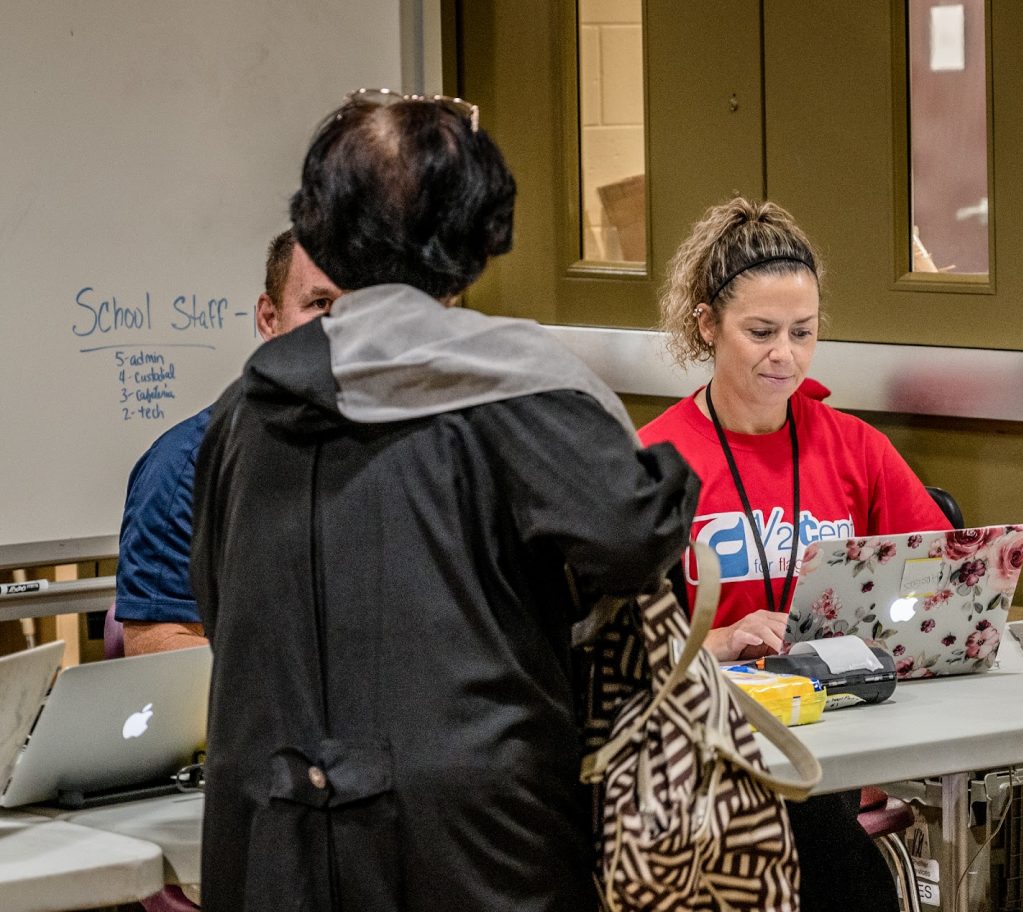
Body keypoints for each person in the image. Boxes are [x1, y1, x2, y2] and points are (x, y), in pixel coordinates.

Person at [189, 92, 698, 912]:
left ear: (320, 230)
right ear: (481, 234)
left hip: (271, 831)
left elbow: (219, 604)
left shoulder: (241, 411)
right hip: (475, 834)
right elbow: (636, 537)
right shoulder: (519, 386)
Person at [638, 197, 951, 912]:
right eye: (761, 332)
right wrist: (716, 640)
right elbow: (610, 644)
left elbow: (941, 572)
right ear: (707, 326)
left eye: (802, 333)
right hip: (711, 749)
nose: (785, 354)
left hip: (840, 733)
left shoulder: (854, 446)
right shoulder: (656, 460)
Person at [115, 230, 342, 656]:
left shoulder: (405, 449)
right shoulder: (186, 466)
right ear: (269, 319)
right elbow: (161, 648)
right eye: (320, 304)